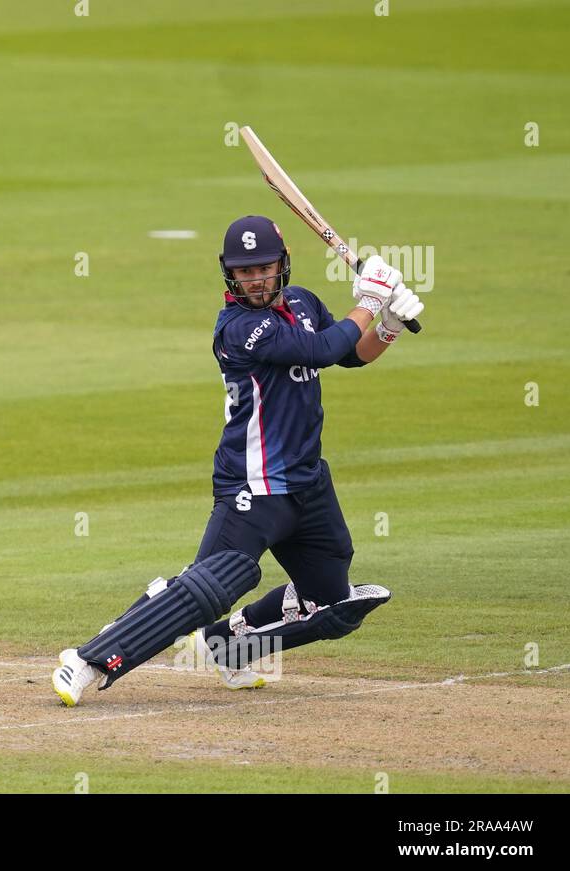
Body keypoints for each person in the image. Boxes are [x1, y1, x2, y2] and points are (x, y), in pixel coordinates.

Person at [52, 215, 424, 706]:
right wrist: (371, 299)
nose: (255, 279)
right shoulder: (239, 328)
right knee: (204, 589)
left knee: (333, 604)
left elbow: (349, 353)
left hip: (308, 485)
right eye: (244, 271)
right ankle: (88, 660)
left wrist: (390, 324)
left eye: (263, 268)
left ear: (282, 264)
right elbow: (320, 350)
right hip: (253, 486)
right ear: (229, 274)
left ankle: (229, 646)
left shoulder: (304, 302)